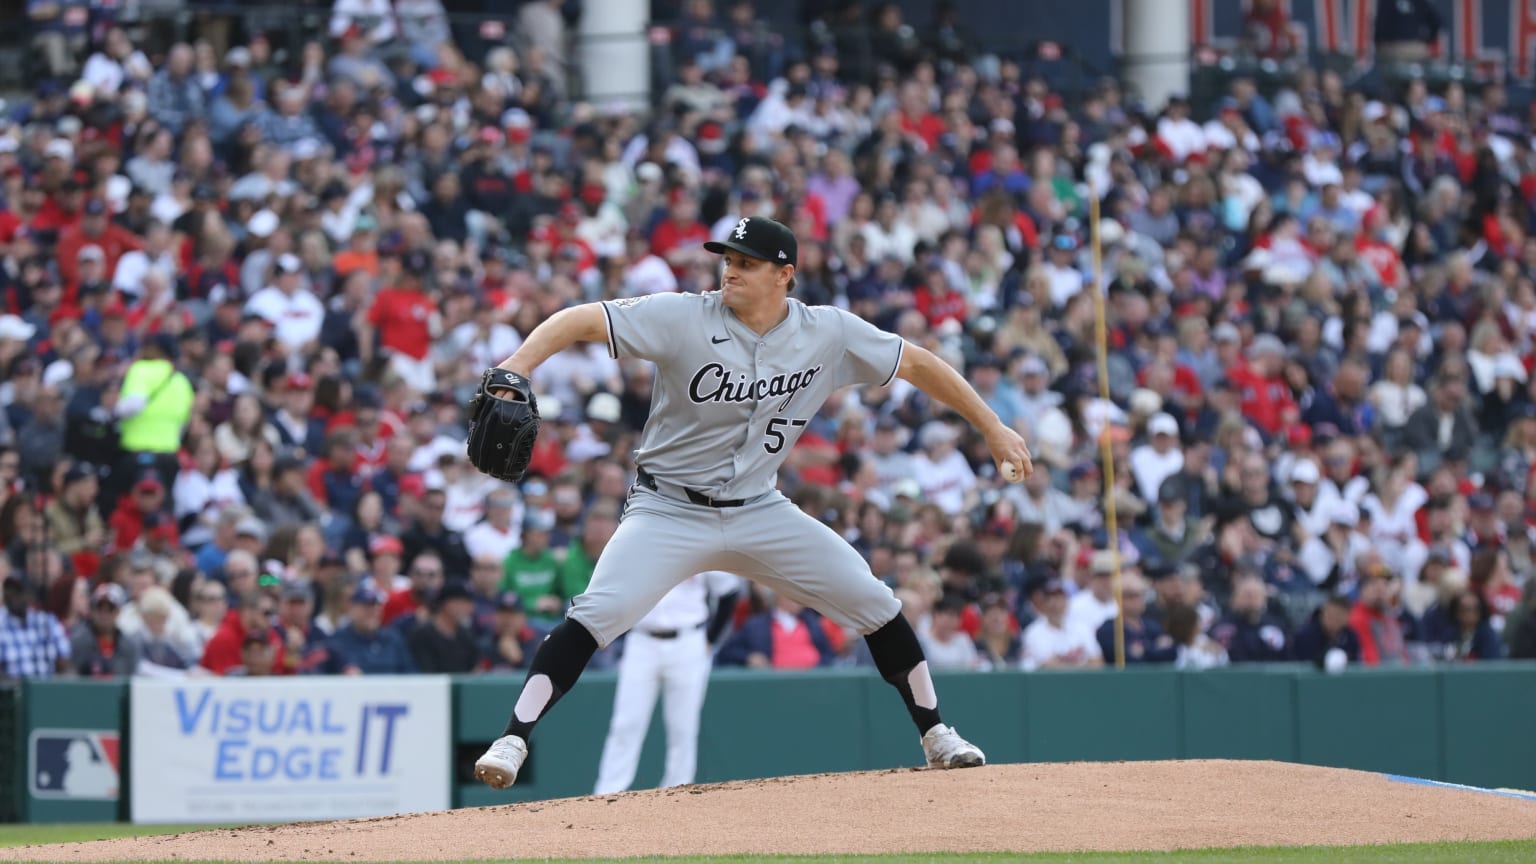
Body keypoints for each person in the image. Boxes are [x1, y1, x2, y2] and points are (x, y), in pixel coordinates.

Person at [474, 217, 1032, 789]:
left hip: (759, 509)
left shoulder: (828, 333)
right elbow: (581, 319)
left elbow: (916, 362)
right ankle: (514, 738)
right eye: (728, 260)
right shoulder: (683, 316)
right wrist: (516, 365)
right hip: (668, 510)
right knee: (594, 616)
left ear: (784, 275)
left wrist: (991, 427)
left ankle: (937, 734)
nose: (730, 271)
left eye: (746, 263)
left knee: (875, 602)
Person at [593, 570, 739, 795]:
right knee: (626, 722)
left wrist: (711, 638)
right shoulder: (640, 540)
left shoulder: (700, 541)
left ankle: (677, 792)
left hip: (688, 639)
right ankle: (607, 792)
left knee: (683, 726)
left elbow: (729, 591)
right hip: (642, 639)